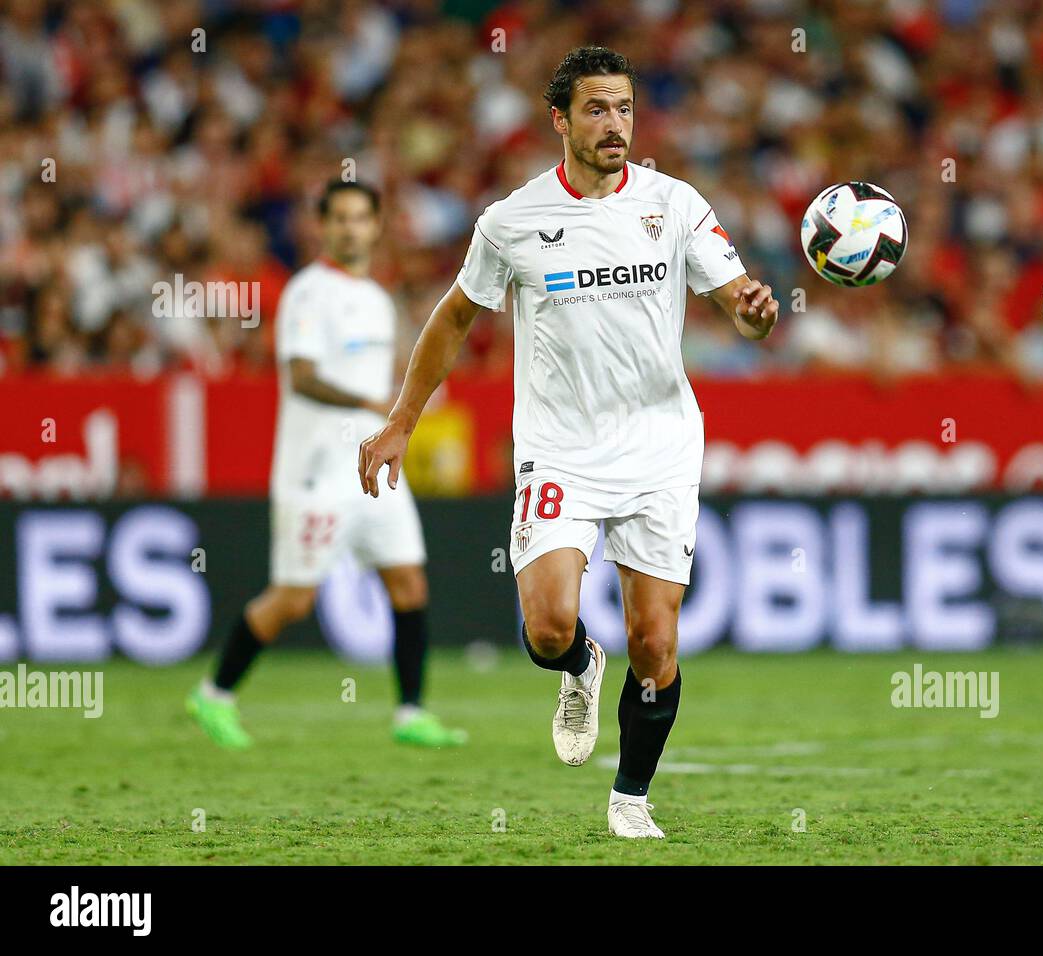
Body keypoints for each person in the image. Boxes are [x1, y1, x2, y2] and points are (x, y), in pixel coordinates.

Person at [357, 47, 778, 838]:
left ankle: (630, 799)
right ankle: (582, 666)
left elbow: (741, 303)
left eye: (623, 108)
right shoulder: (511, 222)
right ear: (560, 120)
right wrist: (402, 420)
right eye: (595, 109)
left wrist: (756, 311)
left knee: (656, 642)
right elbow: (454, 319)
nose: (614, 124)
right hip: (560, 449)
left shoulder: (675, 204)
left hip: (658, 447)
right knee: (550, 627)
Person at [187, 181, 466, 751]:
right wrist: (371, 402)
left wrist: (397, 405)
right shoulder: (308, 293)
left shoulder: (376, 297)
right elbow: (302, 376)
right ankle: (213, 694)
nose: (349, 228)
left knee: (408, 580)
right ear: (322, 226)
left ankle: (410, 713)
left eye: (360, 217)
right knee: (294, 598)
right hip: (317, 467)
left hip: (374, 463)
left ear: (376, 225)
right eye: (338, 218)